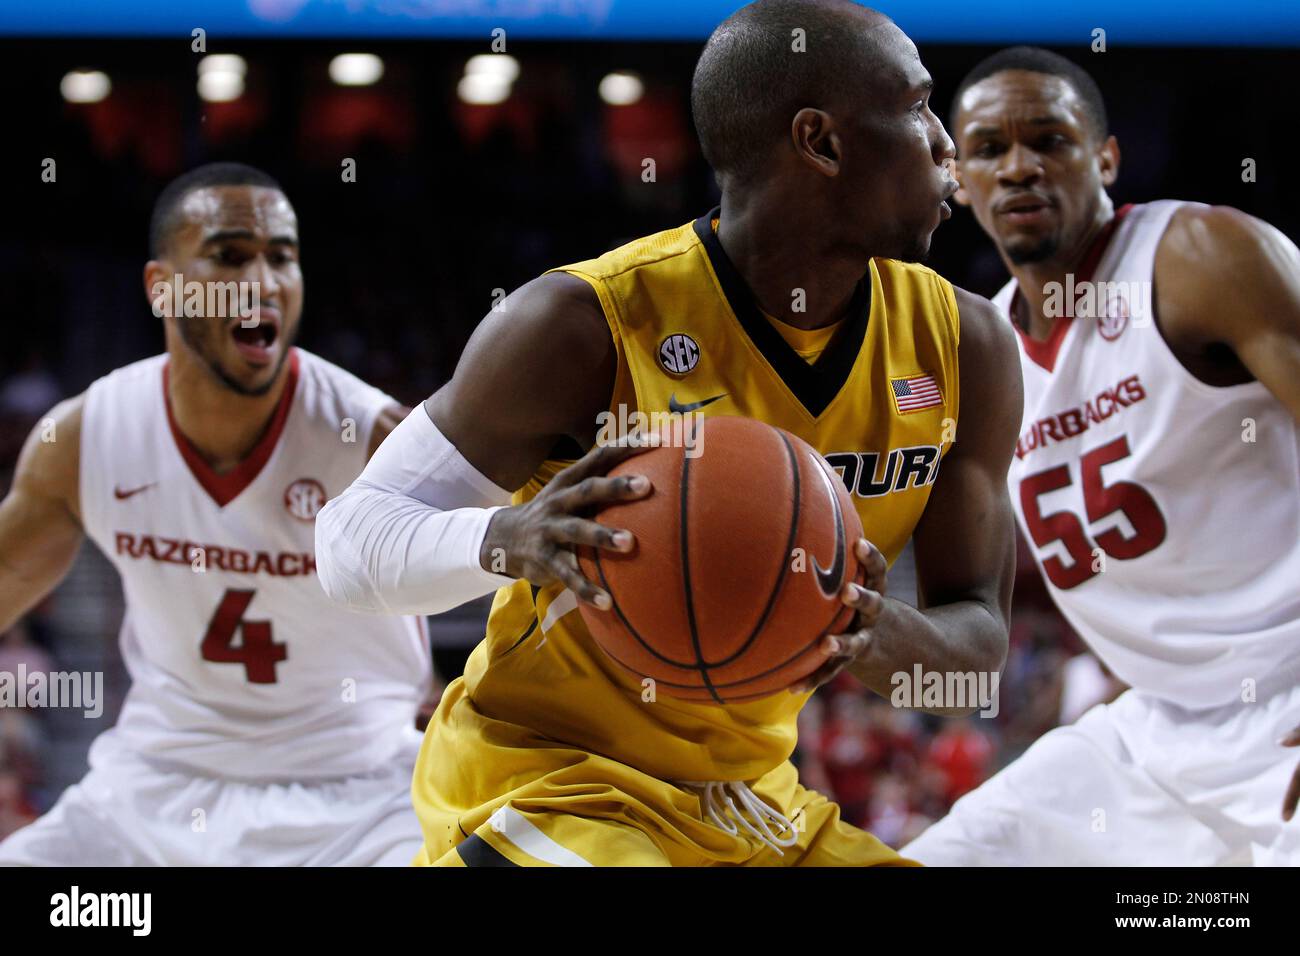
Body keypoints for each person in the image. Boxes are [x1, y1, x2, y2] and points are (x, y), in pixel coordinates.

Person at [316, 0, 1022, 867]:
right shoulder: (581, 321)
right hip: (547, 780)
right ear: (822, 142)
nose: (946, 144)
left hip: (749, 801)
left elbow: (977, 652)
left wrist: (864, 631)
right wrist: (510, 538)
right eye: (917, 107)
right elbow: (348, 544)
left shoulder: (970, 346)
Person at [905, 47, 1300, 866]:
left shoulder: (1199, 256)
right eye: (987, 149)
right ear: (957, 180)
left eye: (1049, 140)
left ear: (1106, 157)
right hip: (1153, 735)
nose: (1019, 167)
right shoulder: (975, 356)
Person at [0, 163, 431, 866]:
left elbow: (517, 572)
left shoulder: (375, 437)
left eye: (282, 258)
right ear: (160, 287)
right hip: (149, 794)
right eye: (231, 256)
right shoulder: (84, 439)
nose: (263, 281)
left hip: (359, 801)